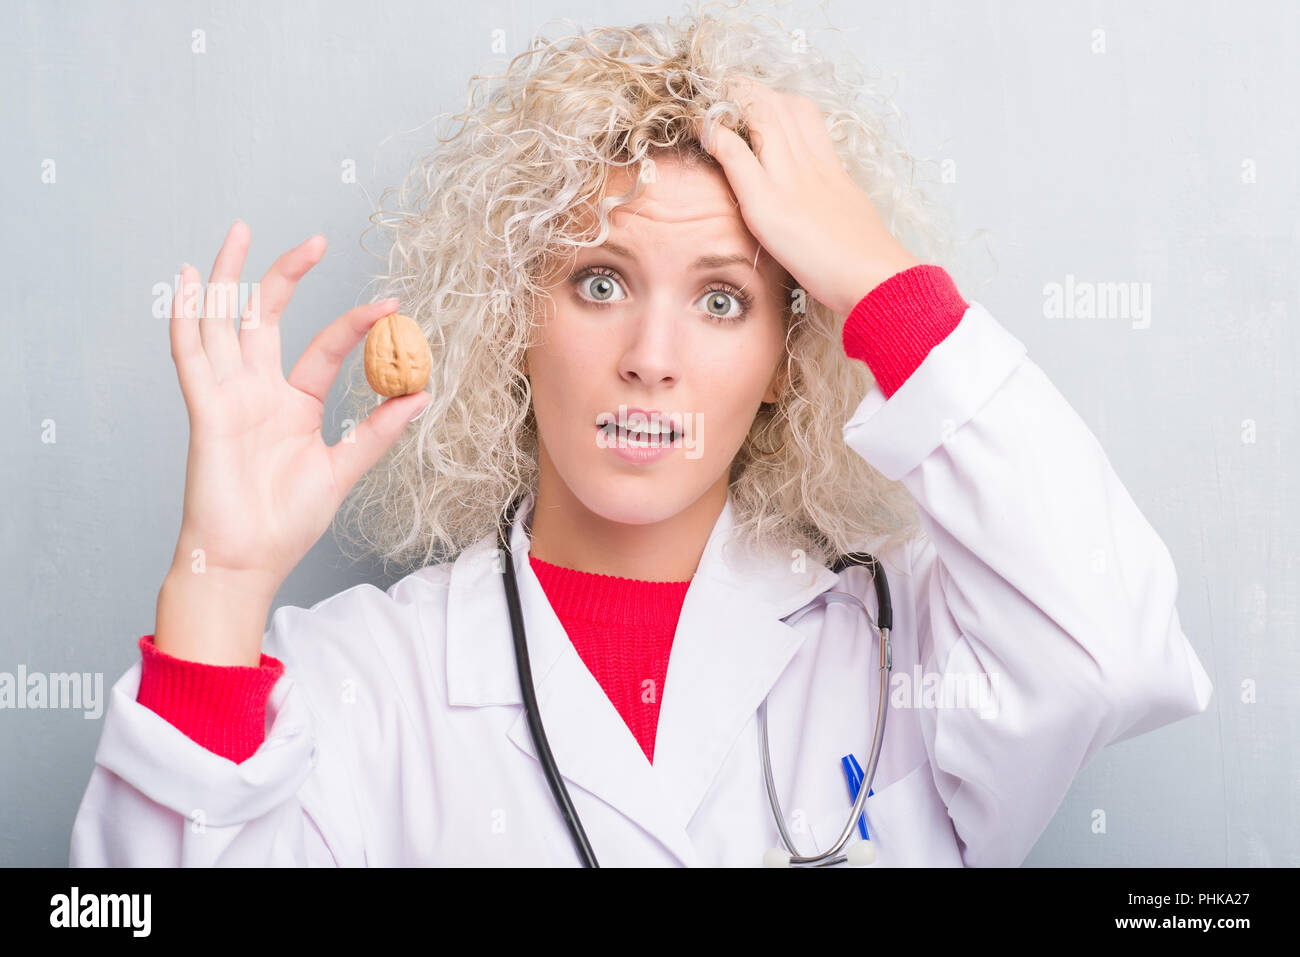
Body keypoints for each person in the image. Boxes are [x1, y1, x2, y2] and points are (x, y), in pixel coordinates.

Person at [69, 8, 1211, 867]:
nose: (651, 355)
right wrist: (215, 584)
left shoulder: (904, 648)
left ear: (784, 360)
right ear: (515, 318)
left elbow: (1107, 652)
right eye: (600, 281)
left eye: (724, 300)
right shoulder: (358, 684)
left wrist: (881, 285)